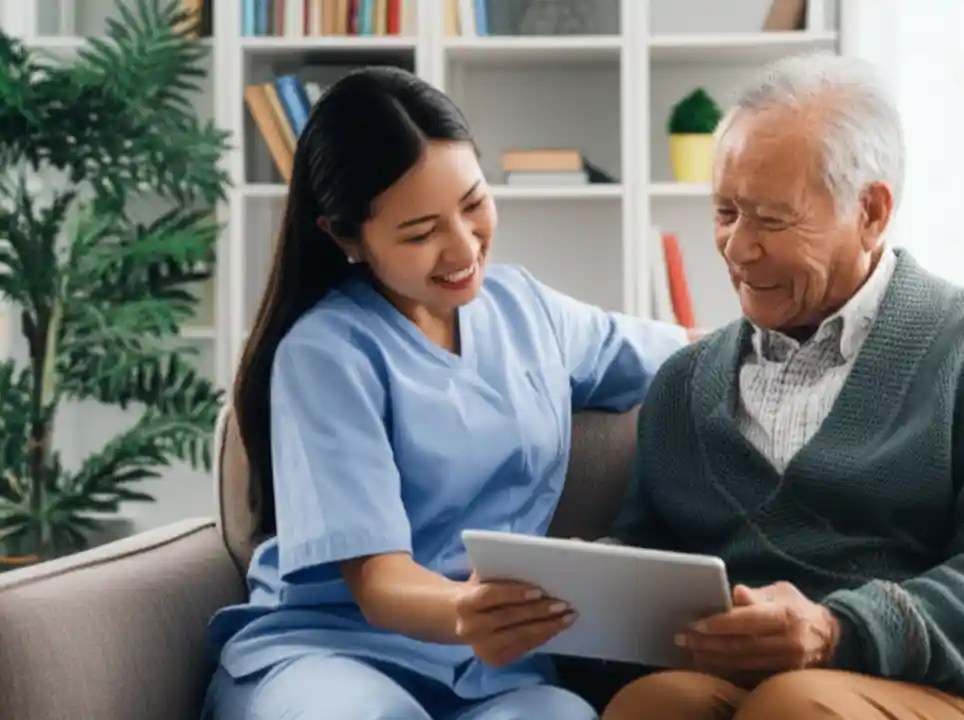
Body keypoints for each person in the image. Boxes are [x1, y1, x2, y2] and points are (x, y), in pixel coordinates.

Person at [599, 54, 964, 720]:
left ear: (871, 212)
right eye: (726, 211)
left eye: (772, 220)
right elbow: (648, 557)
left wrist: (835, 630)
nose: (736, 248)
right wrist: (575, 590)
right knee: (654, 705)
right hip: (759, 682)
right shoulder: (682, 384)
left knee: (796, 708)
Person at [200, 66, 686, 720]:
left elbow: (689, 356)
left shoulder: (525, 309)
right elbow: (378, 583)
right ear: (346, 237)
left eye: (474, 203)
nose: (463, 248)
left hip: (495, 669)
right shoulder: (326, 353)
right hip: (333, 654)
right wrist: (467, 610)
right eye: (420, 232)